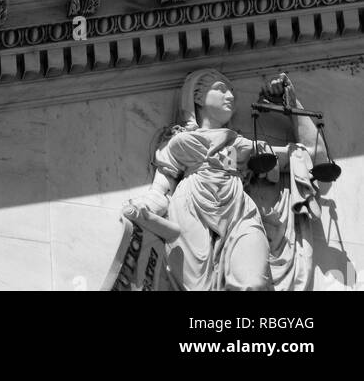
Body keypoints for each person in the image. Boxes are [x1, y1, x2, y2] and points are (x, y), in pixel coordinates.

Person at [123, 68, 319, 291]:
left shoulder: (242, 146)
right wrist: (143, 208)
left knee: (253, 284)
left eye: (232, 92)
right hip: (190, 210)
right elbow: (160, 189)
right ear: (197, 97)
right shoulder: (179, 141)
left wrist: (290, 105)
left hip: (238, 211)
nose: (231, 97)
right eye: (221, 89)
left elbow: (308, 154)